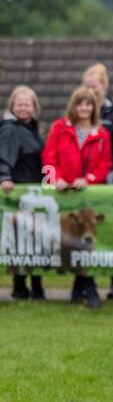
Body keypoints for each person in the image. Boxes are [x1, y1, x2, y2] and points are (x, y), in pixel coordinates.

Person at [42, 87, 113, 308]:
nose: (84, 108)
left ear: (94, 108)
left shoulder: (101, 134)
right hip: (64, 197)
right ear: (73, 106)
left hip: (89, 197)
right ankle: (80, 285)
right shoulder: (59, 129)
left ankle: (86, 284)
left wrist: (89, 179)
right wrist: (57, 179)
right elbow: (48, 157)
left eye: (88, 104)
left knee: (87, 242)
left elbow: (105, 165)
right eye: (80, 104)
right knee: (68, 240)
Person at [80, 63, 113, 298]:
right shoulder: (77, 111)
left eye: (95, 86)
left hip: (108, 178)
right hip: (83, 181)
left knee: (109, 231)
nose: (91, 91)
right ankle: (85, 280)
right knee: (84, 230)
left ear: (104, 86)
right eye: (87, 86)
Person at [0, 86, 46, 299]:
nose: (24, 108)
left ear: (34, 107)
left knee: (37, 241)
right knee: (21, 241)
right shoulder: (9, 129)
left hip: (36, 191)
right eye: (19, 104)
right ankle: (20, 285)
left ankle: (36, 284)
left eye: (27, 104)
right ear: (12, 107)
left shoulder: (35, 130)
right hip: (19, 193)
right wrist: (4, 177)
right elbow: (4, 155)